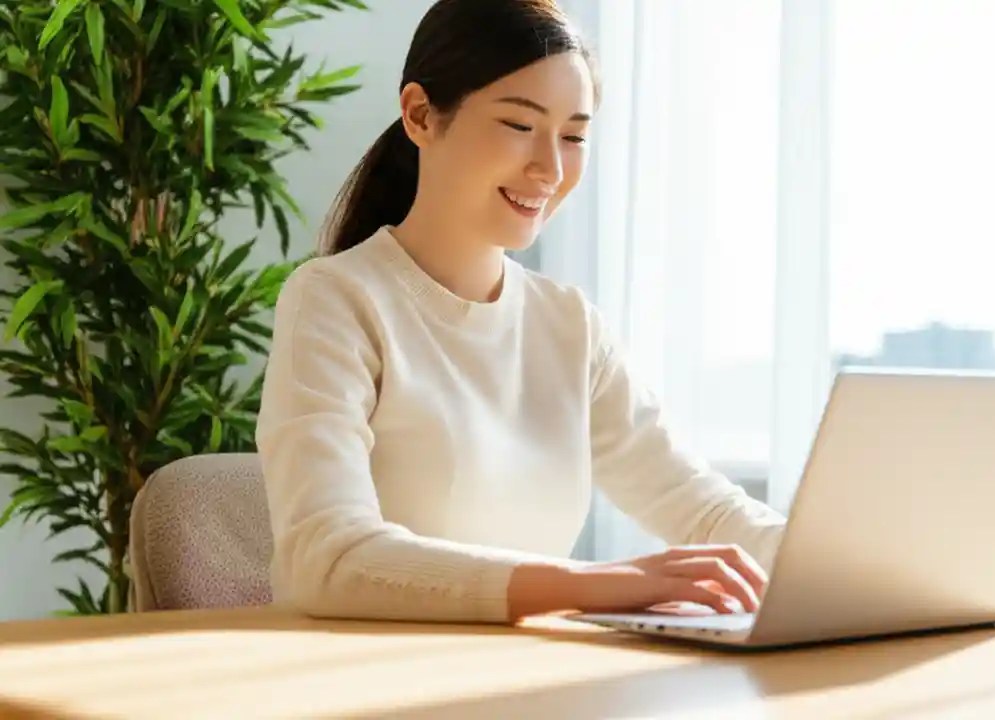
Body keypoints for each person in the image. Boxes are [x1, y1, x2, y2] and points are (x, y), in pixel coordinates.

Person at [255, 0, 788, 625]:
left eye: (574, 136)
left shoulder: (566, 326)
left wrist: (855, 573)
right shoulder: (336, 300)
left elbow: (702, 509)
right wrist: (598, 585)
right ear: (421, 115)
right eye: (518, 125)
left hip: (524, 684)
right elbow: (328, 560)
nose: (551, 168)